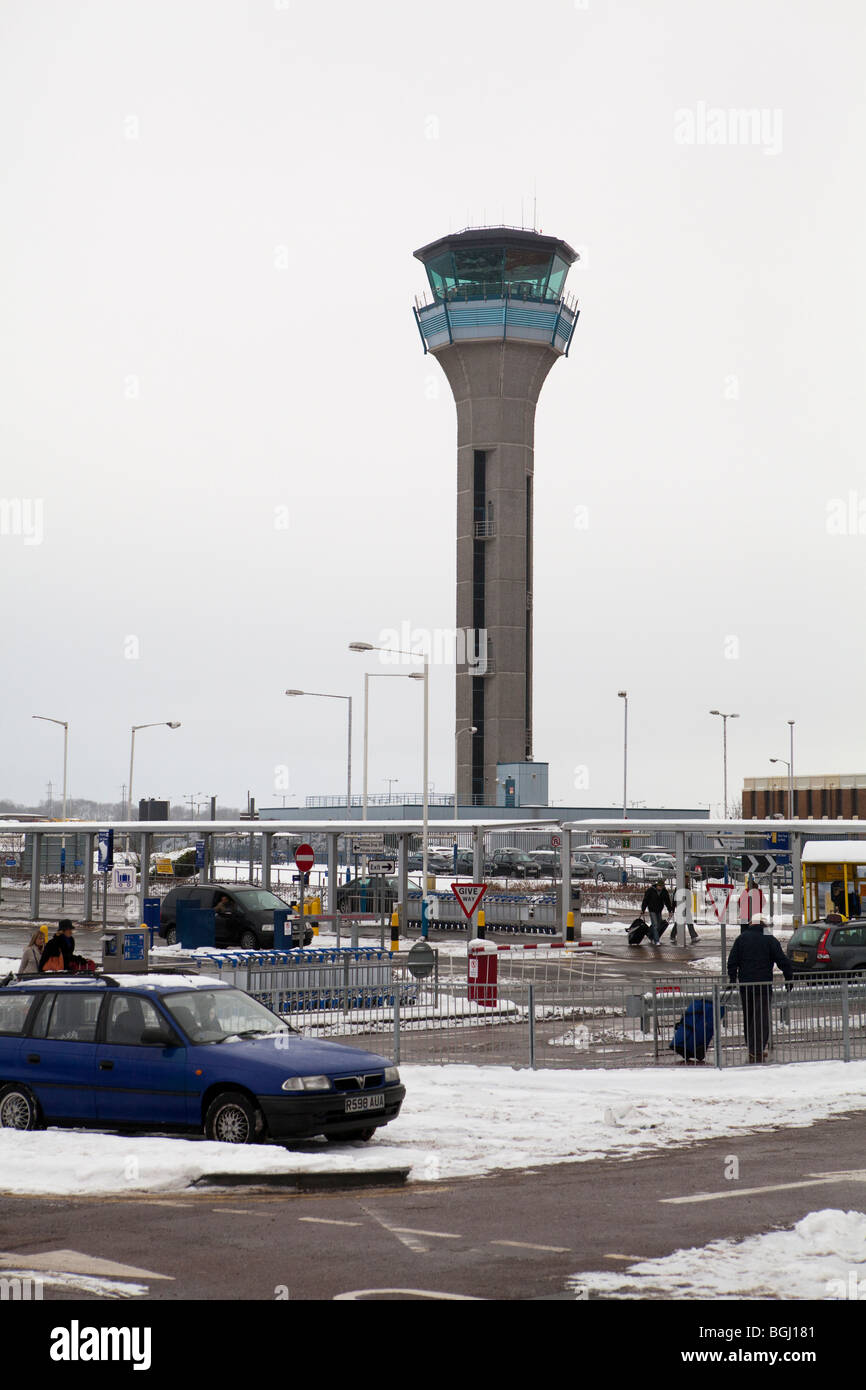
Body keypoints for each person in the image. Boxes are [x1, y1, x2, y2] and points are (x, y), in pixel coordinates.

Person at [727, 919, 793, 1063]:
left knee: (749, 1017)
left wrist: (733, 979)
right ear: (763, 926)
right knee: (761, 1018)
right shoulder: (769, 938)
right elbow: (782, 960)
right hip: (763, 986)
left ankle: (751, 1048)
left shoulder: (742, 938)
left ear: (751, 925)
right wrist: (789, 978)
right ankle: (757, 1050)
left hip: (745, 986)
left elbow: (732, 961)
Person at [640, 879, 672, 945]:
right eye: (659, 886)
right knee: (655, 925)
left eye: (662, 886)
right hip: (652, 910)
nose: (660, 888)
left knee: (659, 924)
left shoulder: (664, 892)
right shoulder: (650, 891)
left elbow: (667, 901)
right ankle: (656, 940)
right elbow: (645, 900)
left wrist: (670, 910)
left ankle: (650, 934)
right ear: (657, 885)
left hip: (659, 910)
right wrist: (643, 909)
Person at [670, 879, 699, 944]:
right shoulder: (678, 888)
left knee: (688, 922)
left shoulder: (687, 888)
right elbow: (674, 899)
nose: (687, 882)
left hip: (686, 907)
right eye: (686, 880)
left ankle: (693, 936)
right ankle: (673, 935)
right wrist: (673, 908)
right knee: (680, 922)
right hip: (681, 907)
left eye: (687, 881)